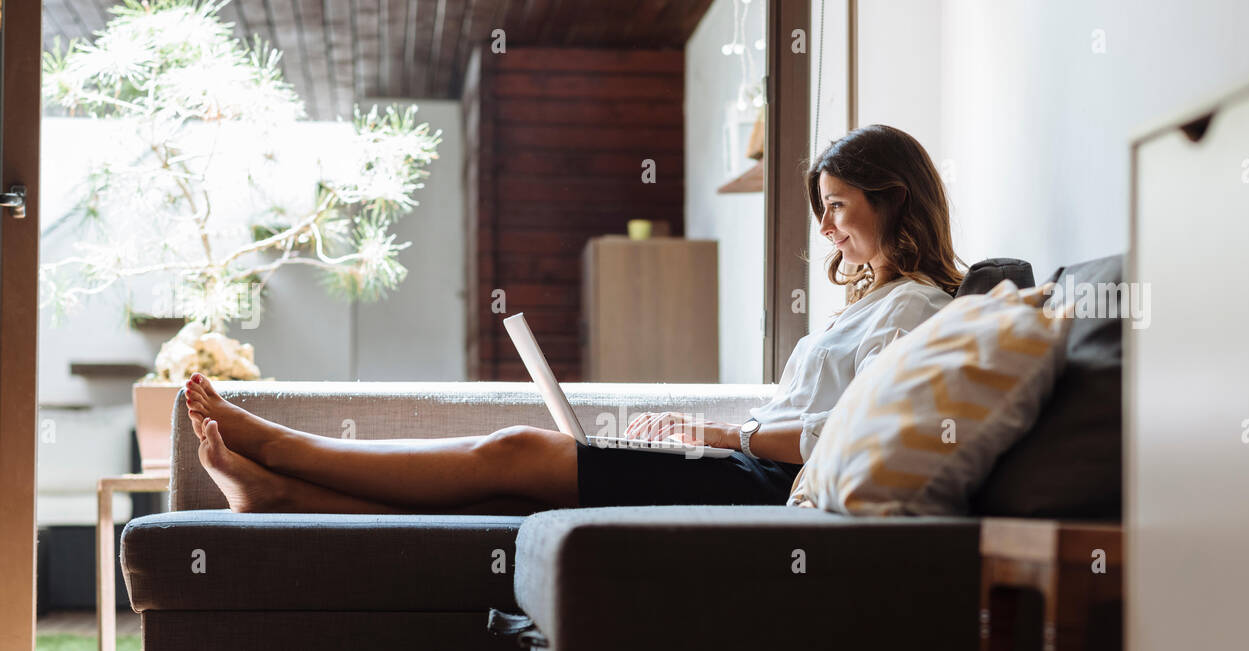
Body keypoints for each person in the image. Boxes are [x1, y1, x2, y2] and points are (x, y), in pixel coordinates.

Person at [184, 125, 966, 515]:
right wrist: (719, 435)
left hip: (767, 487)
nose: (826, 229)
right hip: (752, 467)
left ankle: (283, 448)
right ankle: (285, 496)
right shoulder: (875, 304)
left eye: (837, 207)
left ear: (893, 199)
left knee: (516, 450)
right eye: (823, 209)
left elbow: (849, 437)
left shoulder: (921, 311)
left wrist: (726, 436)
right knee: (514, 471)